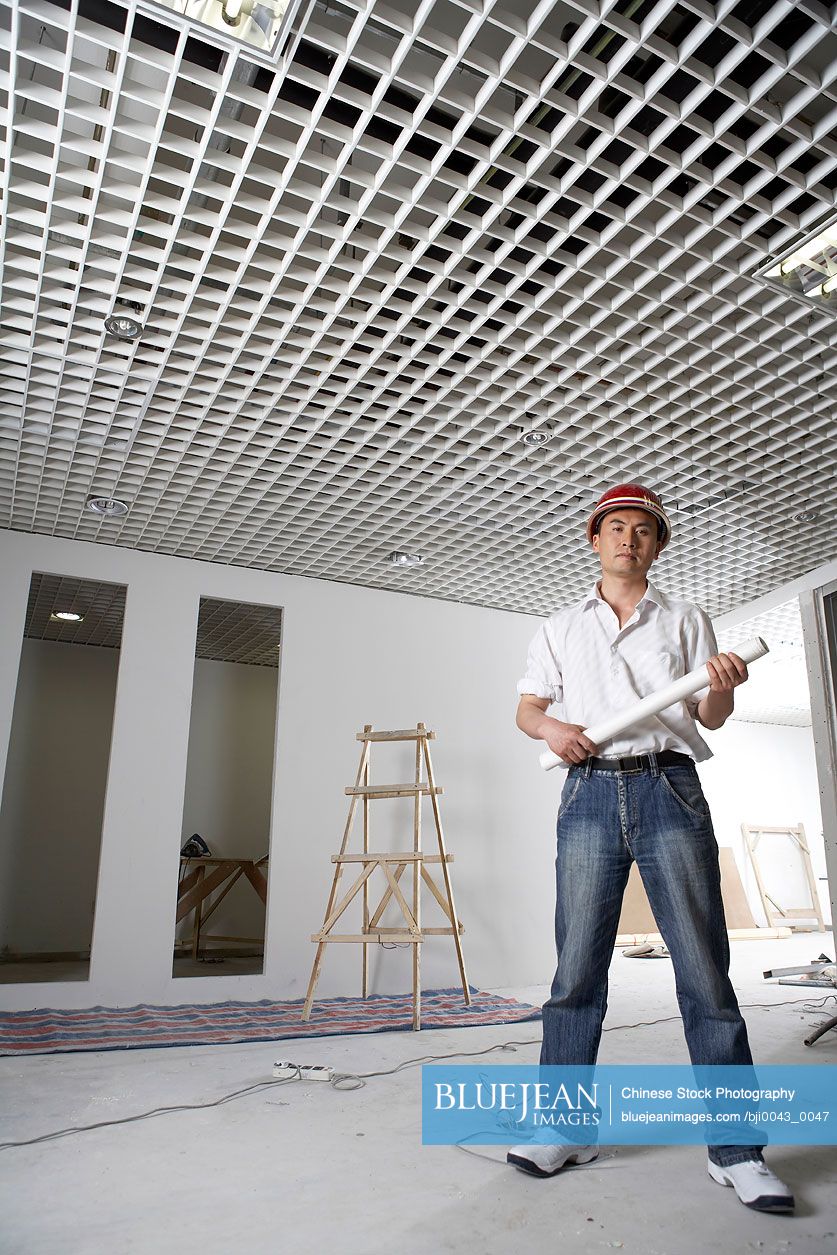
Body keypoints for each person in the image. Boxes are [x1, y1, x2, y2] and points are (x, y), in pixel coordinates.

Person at [508, 483, 794, 1214]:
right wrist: (552, 732)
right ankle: (562, 1128)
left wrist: (724, 684)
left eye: (642, 530)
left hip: (668, 786)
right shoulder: (557, 626)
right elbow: (527, 707)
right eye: (615, 528)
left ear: (657, 545)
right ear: (593, 538)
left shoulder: (687, 618)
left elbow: (711, 715)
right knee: (574, 972)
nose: (627, 539)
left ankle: (736, 1151)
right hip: (587, 794)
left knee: (703, 971)